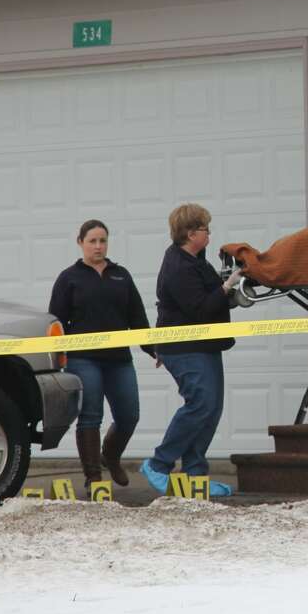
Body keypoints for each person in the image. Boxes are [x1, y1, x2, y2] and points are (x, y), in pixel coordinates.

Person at [140, 203, 242, 497]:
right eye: (204, 228)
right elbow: (200, 308)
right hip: (183, 346)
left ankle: (195, 473)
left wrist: (231, 289)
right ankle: (158, 463)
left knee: (211, 408)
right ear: (189, 232)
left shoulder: (197, 261)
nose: (209, 233)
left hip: (205, 345)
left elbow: (211, 299)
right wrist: (225, 289)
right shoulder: (178, 267)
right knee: (200, 403)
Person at [48, 219, 151, 489]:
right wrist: (57, 357)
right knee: (91, 415)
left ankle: (111, 456)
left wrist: (154, 349)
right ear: (80, 242)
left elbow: (137, 317)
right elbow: (56, 321)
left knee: (129, 415)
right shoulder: (69, 278)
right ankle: (94, 477)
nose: (98, 246)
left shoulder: (121, 275)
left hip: (119, 360)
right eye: (92, 241)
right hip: (83, 358)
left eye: (102, 240)